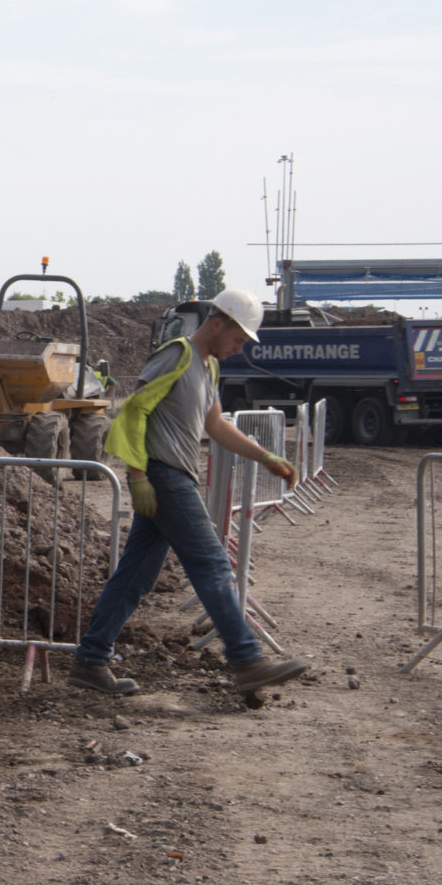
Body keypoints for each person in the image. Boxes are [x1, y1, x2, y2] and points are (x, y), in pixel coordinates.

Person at [68, 287, 309, 696]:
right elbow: (134, 411)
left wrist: (265, 456)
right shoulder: (177, 355)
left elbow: (215, 426)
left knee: (134, 579)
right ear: (217, 323)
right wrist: (138, 476)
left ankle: (90, 662)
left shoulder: (209, 367)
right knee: (213, 566)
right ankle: (246, 659)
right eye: (237, 339)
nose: (239, 348)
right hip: (165, 477)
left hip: (171, 477)